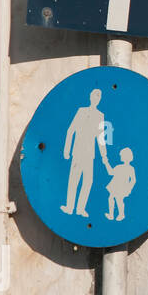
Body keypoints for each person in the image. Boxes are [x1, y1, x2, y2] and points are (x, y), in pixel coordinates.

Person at [61, 89, 104, 217]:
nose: (96, 99)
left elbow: (101, 138)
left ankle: (80, 209)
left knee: (88, 181)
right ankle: (69, 207)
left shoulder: (100, 115)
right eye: (94, 96)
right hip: (78, 151)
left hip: (90, 154)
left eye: (98, 97)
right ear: (90, 97)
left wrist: (104, 156)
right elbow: (70, 130)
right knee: (74, 180)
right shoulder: (81, 111)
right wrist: (66, 150)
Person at [101, 147, 137, 222]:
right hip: (115, 186)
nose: (120, 157)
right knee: (111, 198)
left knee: (119, 200)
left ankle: (121, 214)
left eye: (121, 155)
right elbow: (110, 172)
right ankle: (111, 214)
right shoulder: (119, 167)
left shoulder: (131, 168)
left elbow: (133, 180)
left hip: (123, 187)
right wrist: (106, 163)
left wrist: (129, 188)